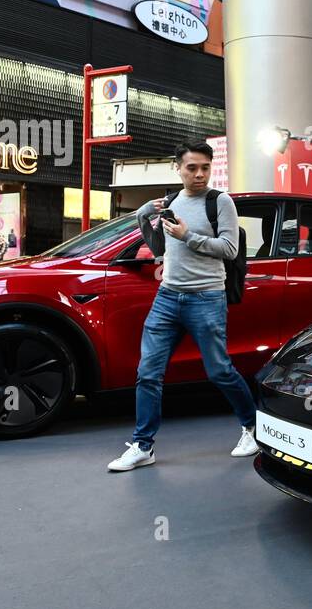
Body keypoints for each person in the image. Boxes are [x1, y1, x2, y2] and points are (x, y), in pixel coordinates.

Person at [107, 140, 259, 473]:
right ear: (178, 167)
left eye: (205, 167)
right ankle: (143, 445)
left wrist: (189, 235)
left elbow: (229, 249)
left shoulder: (221, 203)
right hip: (167, 297)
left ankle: (252, 426)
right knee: (148, 372)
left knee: (218, 370)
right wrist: (144, 218)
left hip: (206, 297)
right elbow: (161, 247)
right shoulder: (172, 201)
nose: (200, 174)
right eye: (192, 167)